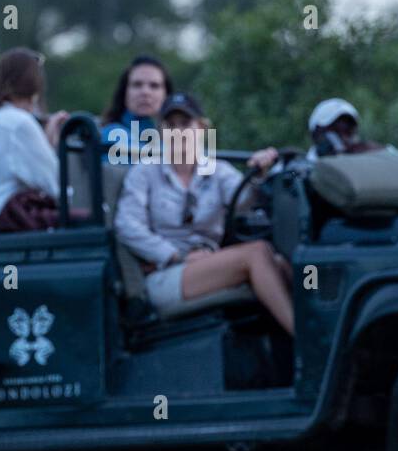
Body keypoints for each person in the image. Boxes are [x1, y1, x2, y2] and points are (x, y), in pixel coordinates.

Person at [114, 92, 293, 332]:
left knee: (287, 262)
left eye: (185, 123)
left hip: (211, 264)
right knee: (257, 253)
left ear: (202, 128)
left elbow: (247, 203)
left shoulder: (217, 170)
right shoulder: (146, 171)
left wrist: (261, 173)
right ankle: (307, 342)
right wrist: (176, 255)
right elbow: (126, 225)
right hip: (166, 273)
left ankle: (316, 335)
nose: (178, 132)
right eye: (170, 125)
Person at [0, 48, 69, 235]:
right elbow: (57, 189)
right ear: (35, 90)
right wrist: (50, 144)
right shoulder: (19, 123)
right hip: (2, 229)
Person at [99, 55, 172, 162]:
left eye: (154, 85)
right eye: (137, 84)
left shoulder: (175, 137)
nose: (145, 92)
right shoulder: (111, 133)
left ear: (166, 94)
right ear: (124, 92)